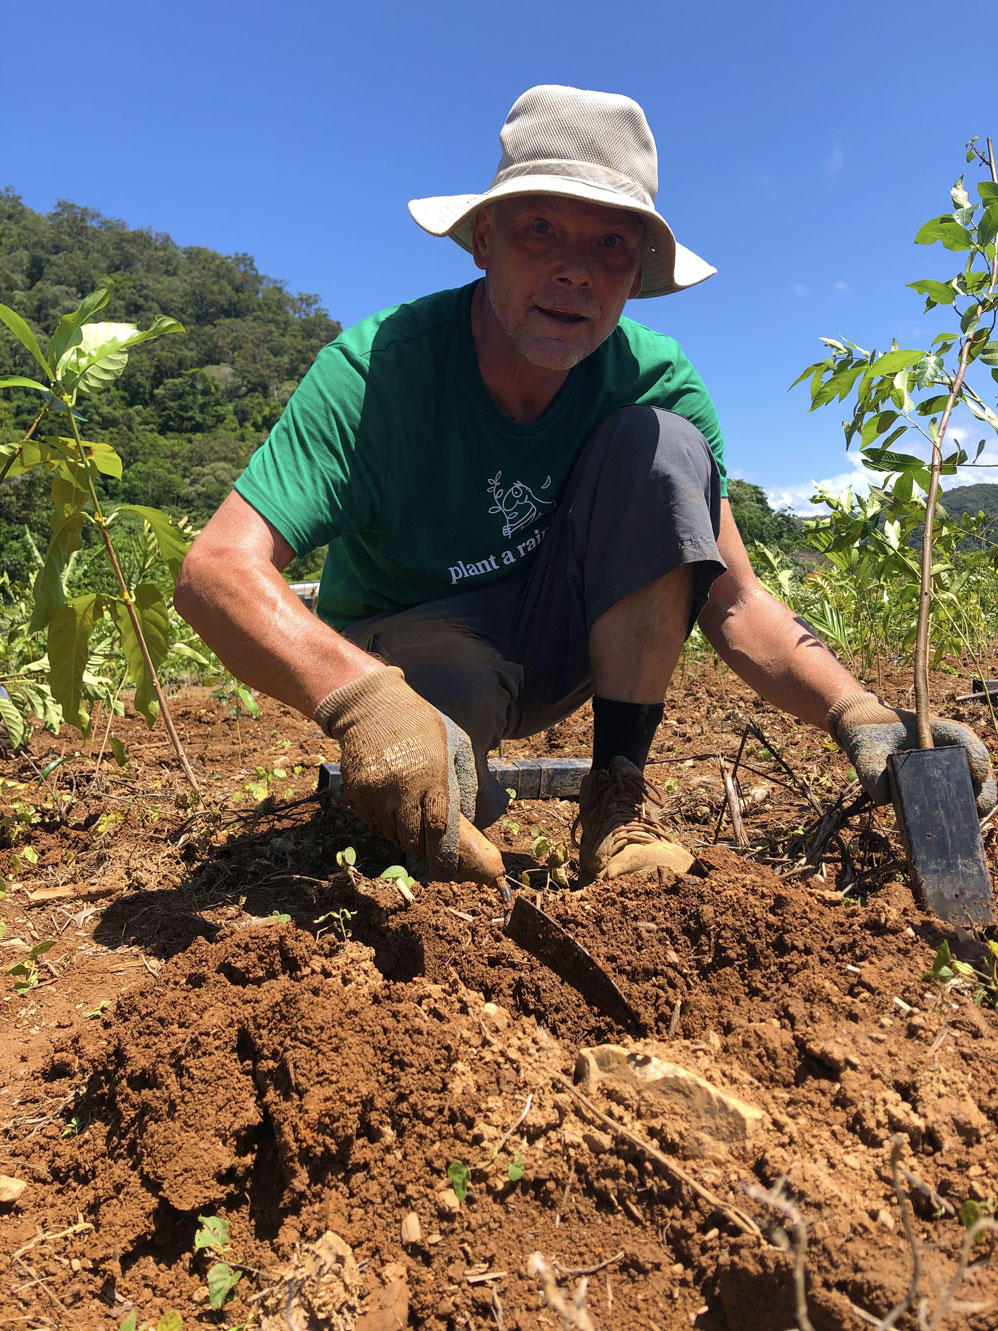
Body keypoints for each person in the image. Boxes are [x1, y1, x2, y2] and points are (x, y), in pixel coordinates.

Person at [174, 84, 994, 888]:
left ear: (636, 275)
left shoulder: (656, 383)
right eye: (541, 229)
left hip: (558, 635)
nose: (575, 270)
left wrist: (859, 712)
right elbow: (217, 571)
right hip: (408, 638)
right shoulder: (381, 372)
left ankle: (616, 800)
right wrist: (358, 701)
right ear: (482, 240)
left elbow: (735, 602)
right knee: (441, 717)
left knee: (660, 447)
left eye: (610, 246)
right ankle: (405, 783)